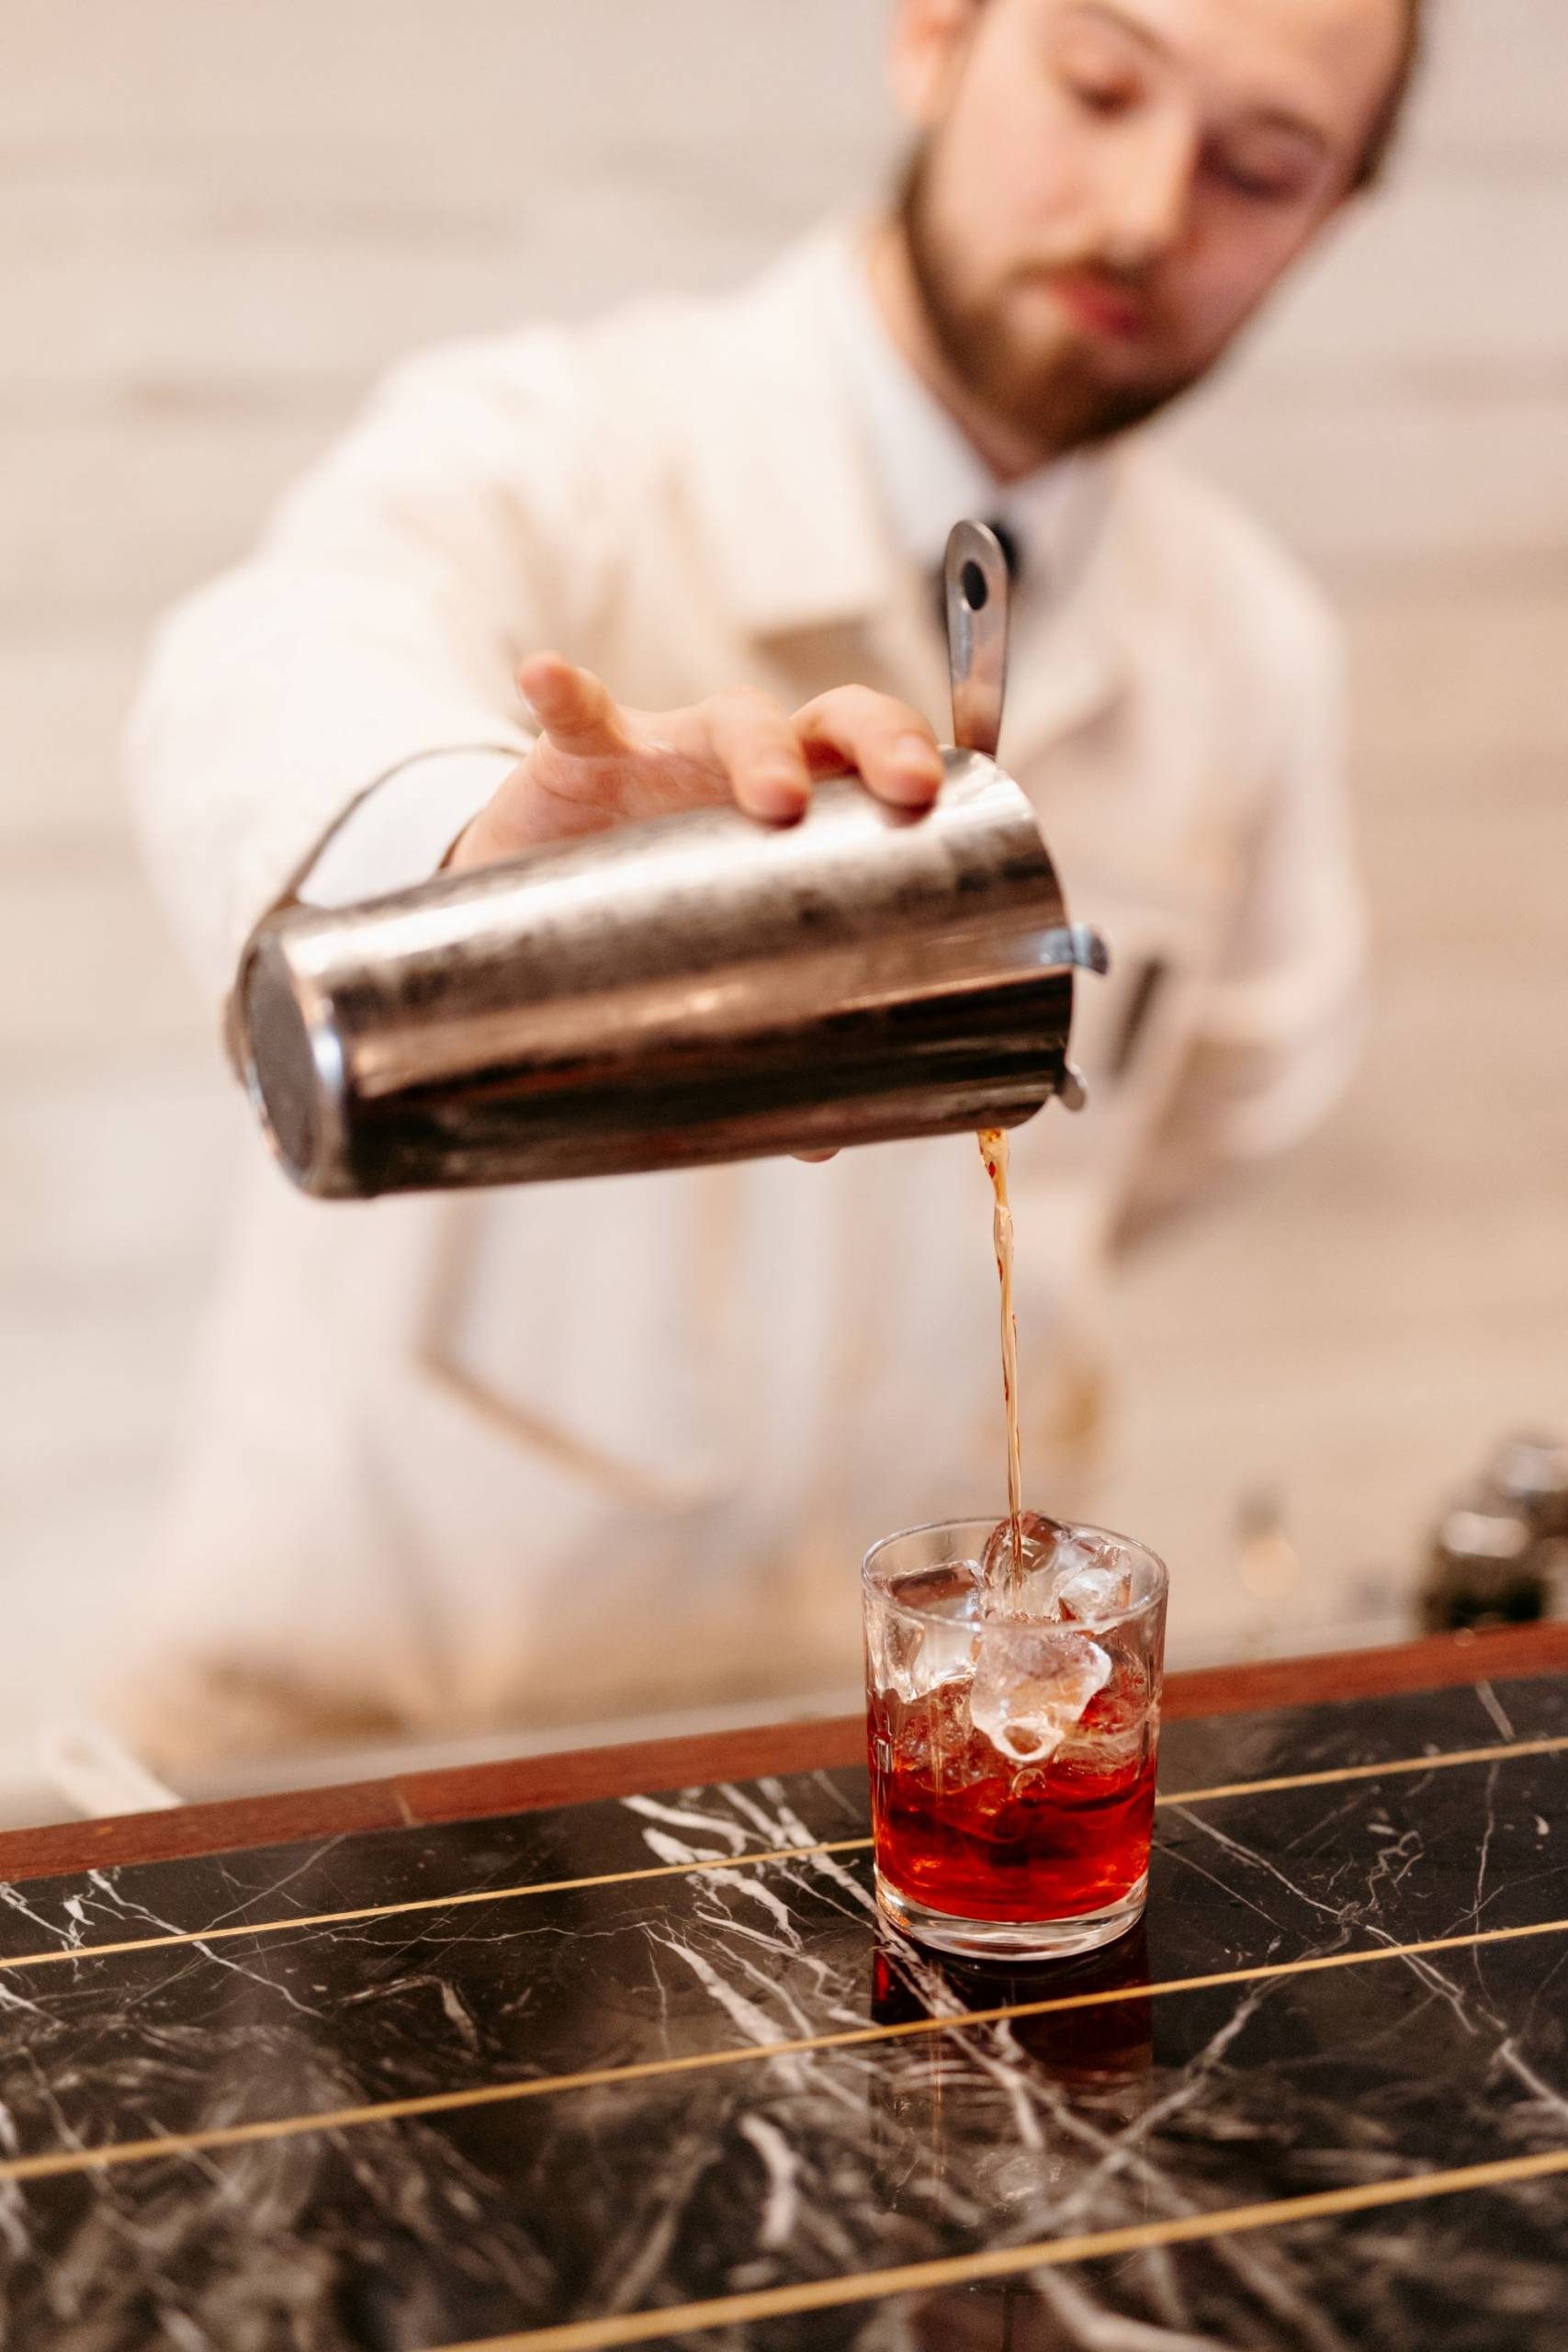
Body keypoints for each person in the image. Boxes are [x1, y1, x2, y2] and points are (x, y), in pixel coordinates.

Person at [123, 0, 1421, 1769]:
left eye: (1261, 169)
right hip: (371, 1737)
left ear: (1335, 212)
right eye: (1099, 86)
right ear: (940, 36)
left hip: (897, 1737)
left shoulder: (1246, 644)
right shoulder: (568, 443)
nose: (1141, 209)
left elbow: (1228, 1099)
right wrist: (468, 851)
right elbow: (261, 657)